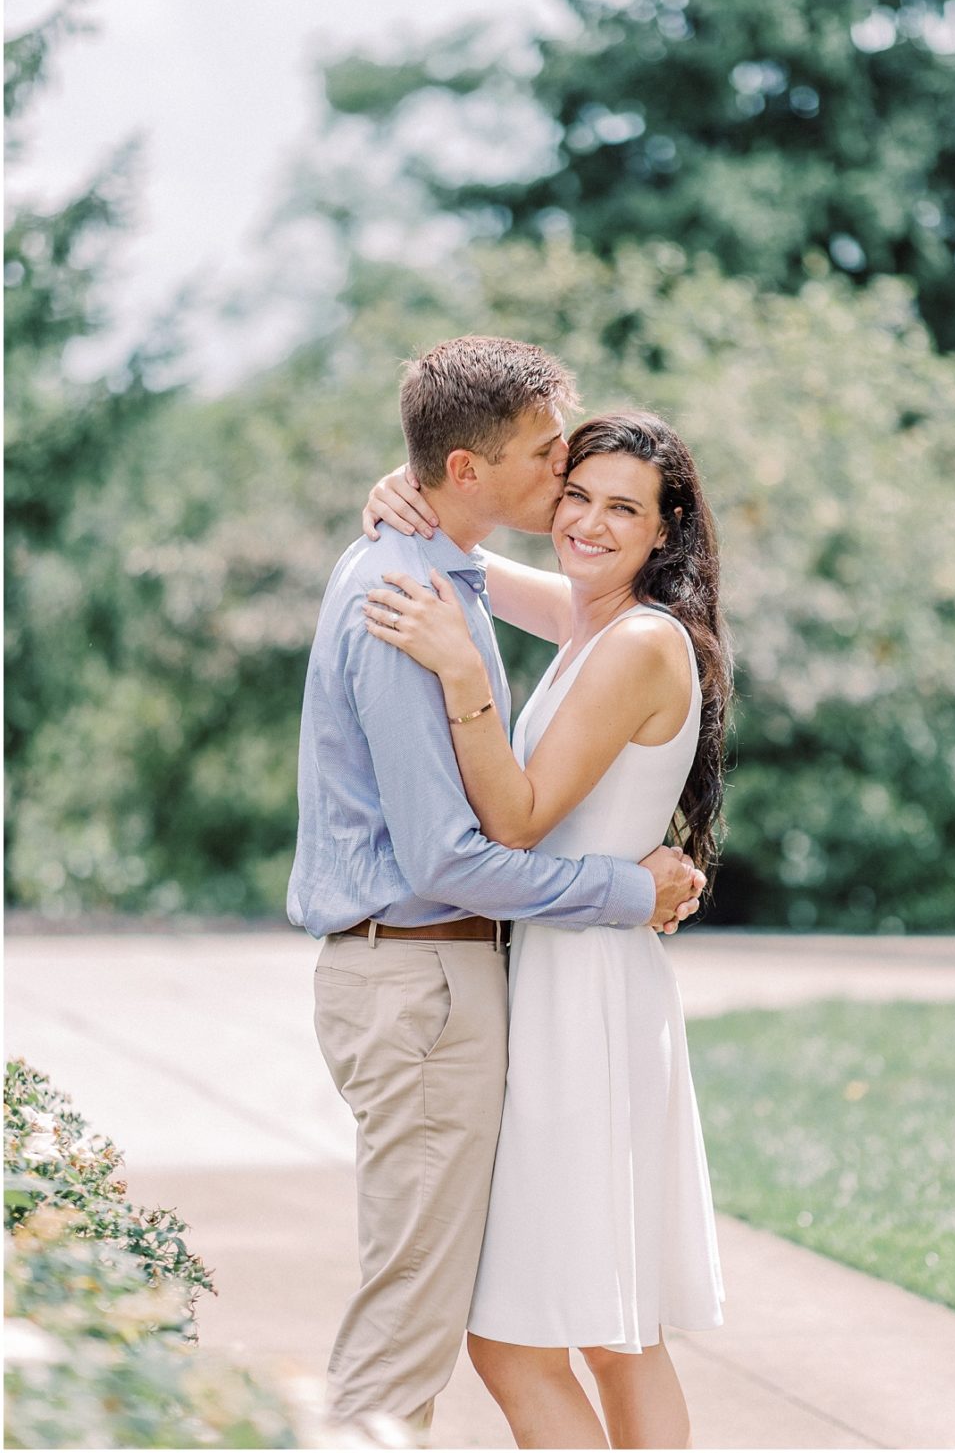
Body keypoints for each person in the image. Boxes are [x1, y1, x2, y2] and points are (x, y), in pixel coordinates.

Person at [287, 337, 705, 1439]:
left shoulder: (601, 627)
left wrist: (424, 500)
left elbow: (506, 816)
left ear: (664, 530)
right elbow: (453, 854)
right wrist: (629, 890)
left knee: (583, 1327)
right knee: (465, 1322)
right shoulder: (431, 595)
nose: (573, 497)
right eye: (557, 468)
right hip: (456, 978)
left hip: (548, 992)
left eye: (619, 503)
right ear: (471, 468)